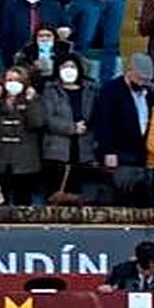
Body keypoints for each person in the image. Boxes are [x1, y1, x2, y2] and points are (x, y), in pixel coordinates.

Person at [39, 52, 97, 200]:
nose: (69, 70)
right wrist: (72, 128)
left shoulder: (90, 90)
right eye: (64, 66)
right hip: (56, 150)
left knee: (77, 194)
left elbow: (95, 114)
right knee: (55, 193)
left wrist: (85, 126)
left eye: (72, 66)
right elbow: (47, 118)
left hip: (83, 149)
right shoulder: (49, 90)